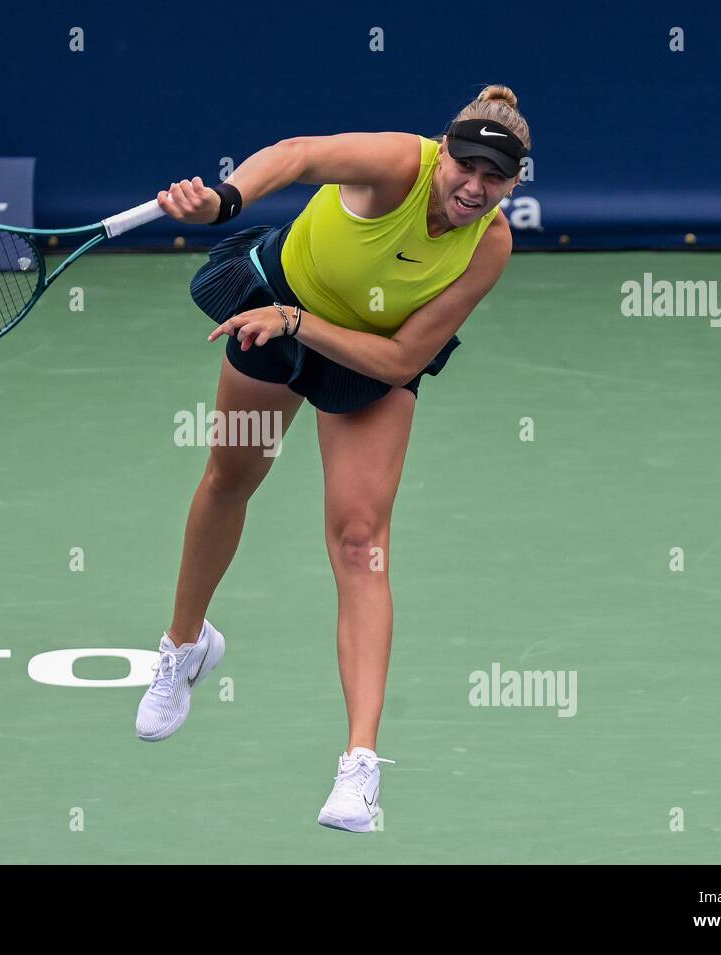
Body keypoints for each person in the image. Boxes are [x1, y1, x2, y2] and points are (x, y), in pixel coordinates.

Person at [135, 85, 531, 833]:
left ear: (514, 183)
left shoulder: (491, 245)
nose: (474, 187)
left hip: (364, 358)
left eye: (496, 177)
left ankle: (358, 767)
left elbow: (403, 356)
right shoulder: (395, 166)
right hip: (274, 306)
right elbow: (298, 156)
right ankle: (185, 644)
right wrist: (227, 199)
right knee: (230, 477)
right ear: (443, 153)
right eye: (466, 166)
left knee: (361, 543)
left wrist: (300, 324)